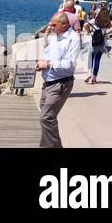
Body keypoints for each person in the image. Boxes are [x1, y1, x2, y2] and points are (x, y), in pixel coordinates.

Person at [37, 12, 80, 147]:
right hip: (48, 83)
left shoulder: (73, 38)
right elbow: (47, 51)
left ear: (64, 24)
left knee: (47, 117)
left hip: (61, 83)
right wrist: (41, 62)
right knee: (46, 116)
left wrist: (48, 64)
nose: (50, 26)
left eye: (53, 24)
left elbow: (70, 64)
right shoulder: (55, 36)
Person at [85, 5, 112, 83]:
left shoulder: (95, 20)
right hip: (101, 42)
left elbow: (85, 25)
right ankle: (94, 77)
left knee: (91, 58)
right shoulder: (107, 21)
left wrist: (89, 31)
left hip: (93, 41)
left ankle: (89, 74)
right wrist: (106, 34)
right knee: (97, 59)